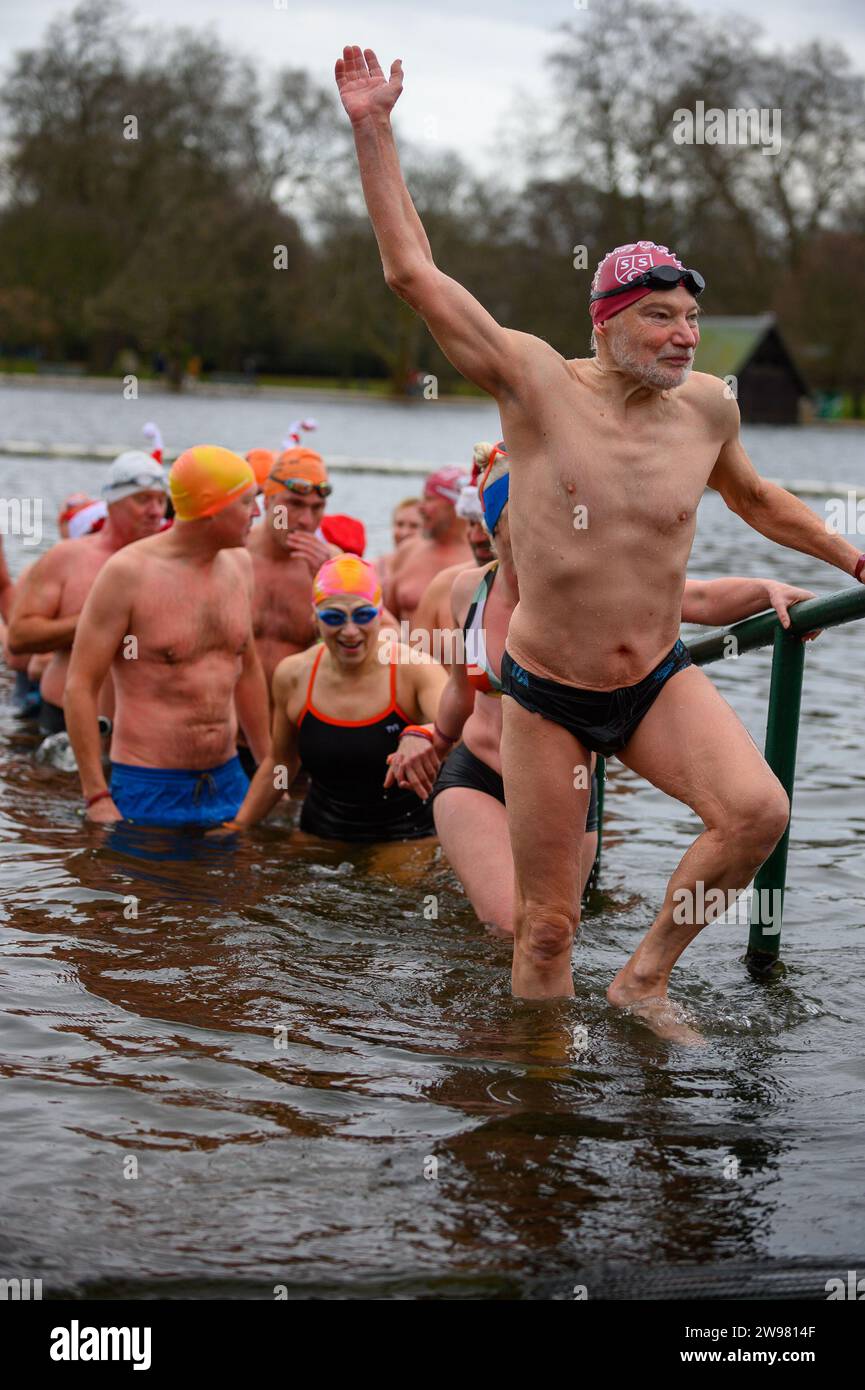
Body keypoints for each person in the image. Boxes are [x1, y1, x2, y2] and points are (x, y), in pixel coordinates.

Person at [336, 47, 865, 1035]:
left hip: (655, 676)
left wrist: (852, 559)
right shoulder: (537, 385)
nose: (683, 336)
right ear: (605, 323)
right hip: (547, 697)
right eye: (660, 318)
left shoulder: (706, 407)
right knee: (544, 929)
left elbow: (756, 499)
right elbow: (413, 272)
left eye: (692, 318)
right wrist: (373, 126)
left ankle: (645, 978)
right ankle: (538, 1118)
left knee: (755, 812)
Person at [398, 445, 816, 937]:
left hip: (570, 788)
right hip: (480, 776)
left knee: (555, 934)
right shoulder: (467, 590)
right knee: (513, 927)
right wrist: (431, 738)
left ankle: (607, 998)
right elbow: (459, 690)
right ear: (496, 530)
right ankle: (503, 1016)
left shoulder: (594, 587)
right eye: (527, 517)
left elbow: (696, 597)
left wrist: (767, 590)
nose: (545, 530)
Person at [65, 445, 270, 828]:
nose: (258, 513)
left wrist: (268, 767)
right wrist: (96, 795)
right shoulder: (127, 573)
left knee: (239, 888)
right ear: (212, 510)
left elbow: (248, 668)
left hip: (229, 781)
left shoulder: (241, 565)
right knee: (149, 889)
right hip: (148, 784)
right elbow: (80, 685)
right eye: (247, 503)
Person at [227, 554, 446, 842]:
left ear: (380, 615)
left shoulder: (414, 669)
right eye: (334, 617)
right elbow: (282, 763)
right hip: (321, 831)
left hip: (407, 835)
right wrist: (239, 828)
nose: (350, 631)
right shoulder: (294, 675)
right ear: (314, 619)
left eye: (363, 615)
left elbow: (464, 731)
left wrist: (425, 733)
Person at [7, 453, 168, 736]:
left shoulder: (173, 562)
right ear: (113, 503)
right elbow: (19, 638)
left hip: (143, 731)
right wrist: (95, 623)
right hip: (63, 720)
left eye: (161, 500)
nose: (155, 511)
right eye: (142, 500)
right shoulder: (67, 557)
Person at [411, 446, 497, 648]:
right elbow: (412, 664)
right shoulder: (444, 586)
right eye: (471, 523)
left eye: (487, 525)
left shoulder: (541, 594)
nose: (476, 537)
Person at [384, 467, 473, 621]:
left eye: (429, 499)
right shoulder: (408, 551)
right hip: (408, 643)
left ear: (454, 505)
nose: (420, 507)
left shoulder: (480, 557)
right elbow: (387, 621)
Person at [373, 496, 422, 593]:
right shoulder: (376, 567)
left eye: (414, 526)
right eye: (399, 524)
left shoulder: (434, 569)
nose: (404, 532)